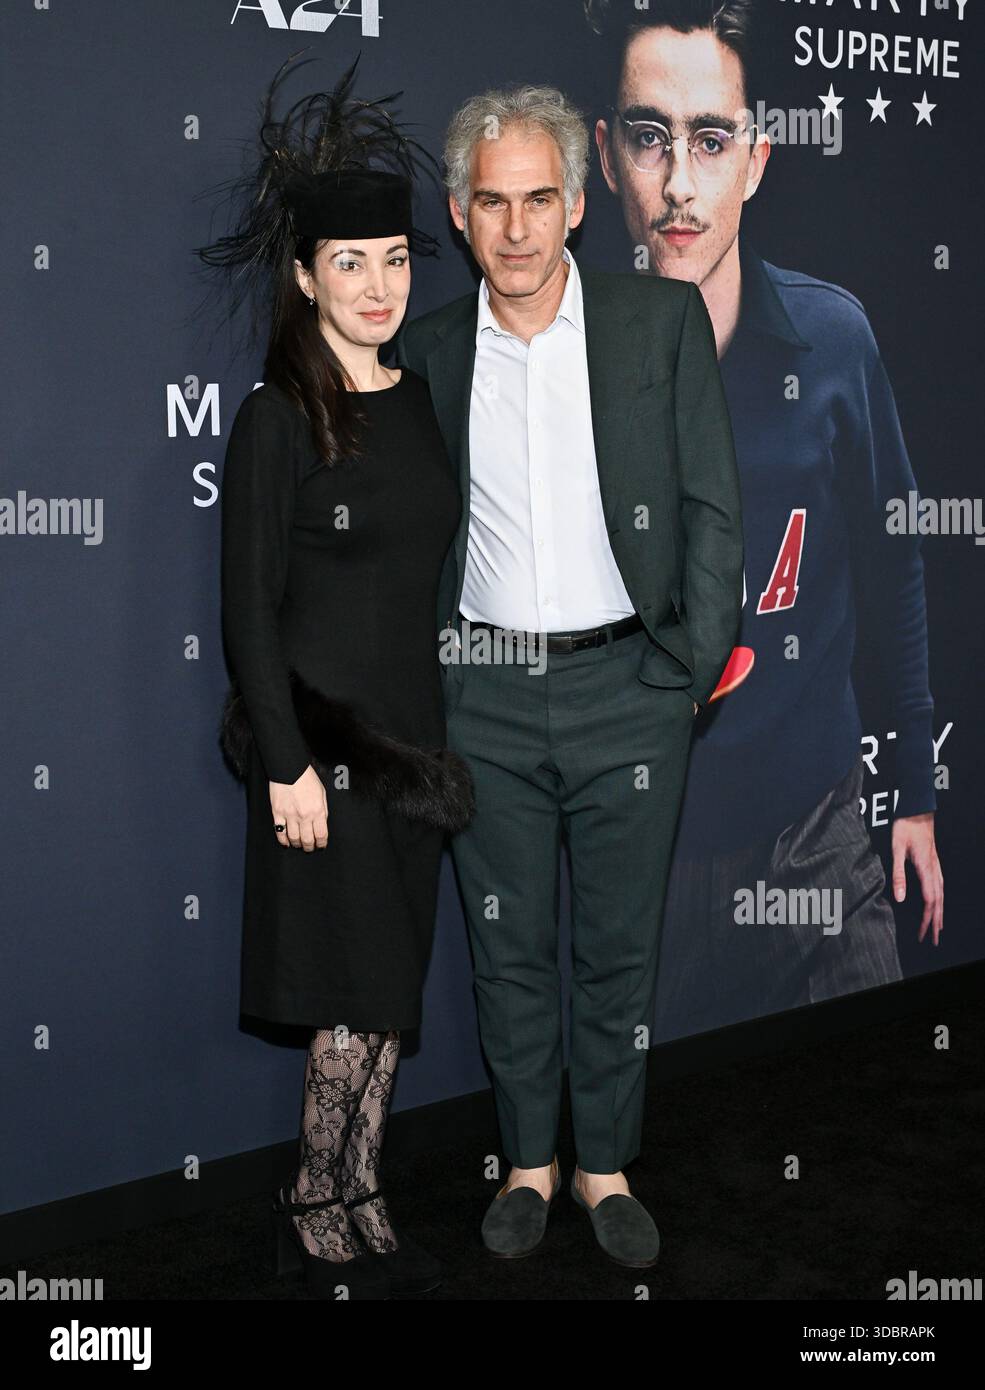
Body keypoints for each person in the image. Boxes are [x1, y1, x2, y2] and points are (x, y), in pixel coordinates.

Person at [397, 83, 743, 1268]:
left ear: (579, 204)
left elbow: (710, 509)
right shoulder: (430, 353)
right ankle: (528, 1165)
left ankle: (604, 1164)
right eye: (491, 202)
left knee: (616, 948)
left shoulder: (658, 323)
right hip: (481, 696)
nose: (516, 228)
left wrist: (683, 673)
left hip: (629, 691)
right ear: (456, 213)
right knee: (507, 950)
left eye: (539, 198)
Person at [584, 0, 943, 1040]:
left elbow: (894, 564)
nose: (680, 184)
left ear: (757, 157)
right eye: (649, 137)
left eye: (711, 138)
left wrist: (913, 792)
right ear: (606, 158)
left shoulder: (832, 342)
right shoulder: (556, 368)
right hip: (635, 868)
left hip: (814, 842)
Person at [193, 55, 472, 1300]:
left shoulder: (416, 403)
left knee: (385, 987)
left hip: (413, 747)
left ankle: (360, 1182)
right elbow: (245, 610)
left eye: (396, 259)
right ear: (304, 275)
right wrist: (288, 763)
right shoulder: (273, 418)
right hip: (322, 749)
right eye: (348, 263)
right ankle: (316, 1195)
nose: (376, 285)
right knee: (345, 990)